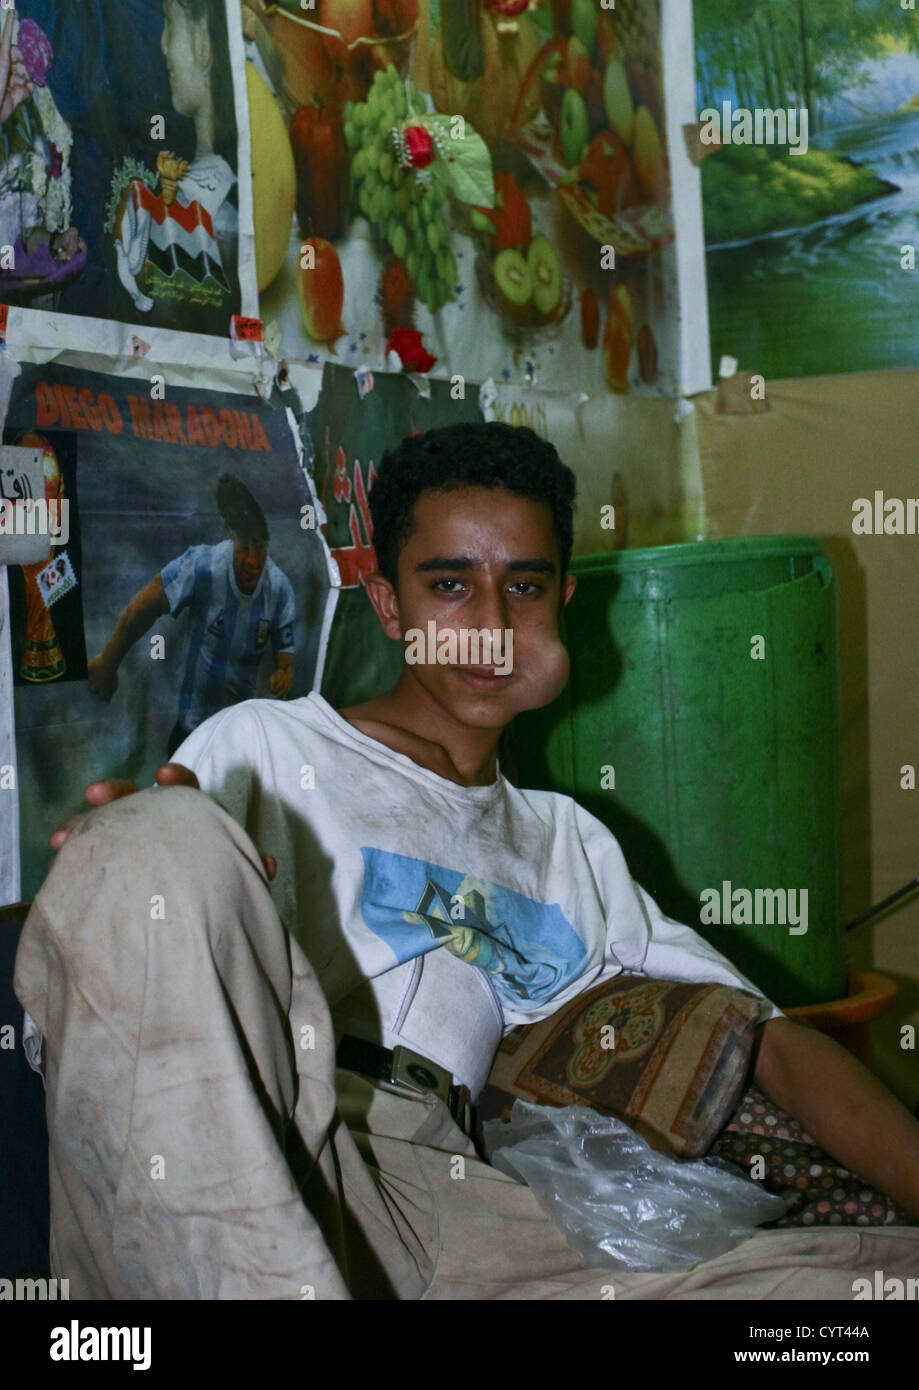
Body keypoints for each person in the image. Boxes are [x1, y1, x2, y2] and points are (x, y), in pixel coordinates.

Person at [17, 422, 919, 1299]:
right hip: (271, 1137)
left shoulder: (570, 843)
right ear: (386, 602)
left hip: (476, 1204)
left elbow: (771, 1045)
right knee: (151, 842)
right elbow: (150, 975)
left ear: (562, 602)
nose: (488, 626)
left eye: (522, 587)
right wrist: (139, 850)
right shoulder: (264, 745)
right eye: (448, 584)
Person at [87, 472, 295, 756]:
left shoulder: (280, 588)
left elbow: (286, 660)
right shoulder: (203, 565)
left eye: (259, 547)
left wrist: (284, 674)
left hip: (240, 738)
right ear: (230, 535)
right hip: (192, 732)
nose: (252, 560)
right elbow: (143, 606)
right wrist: (109, 661)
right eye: (245, 546)